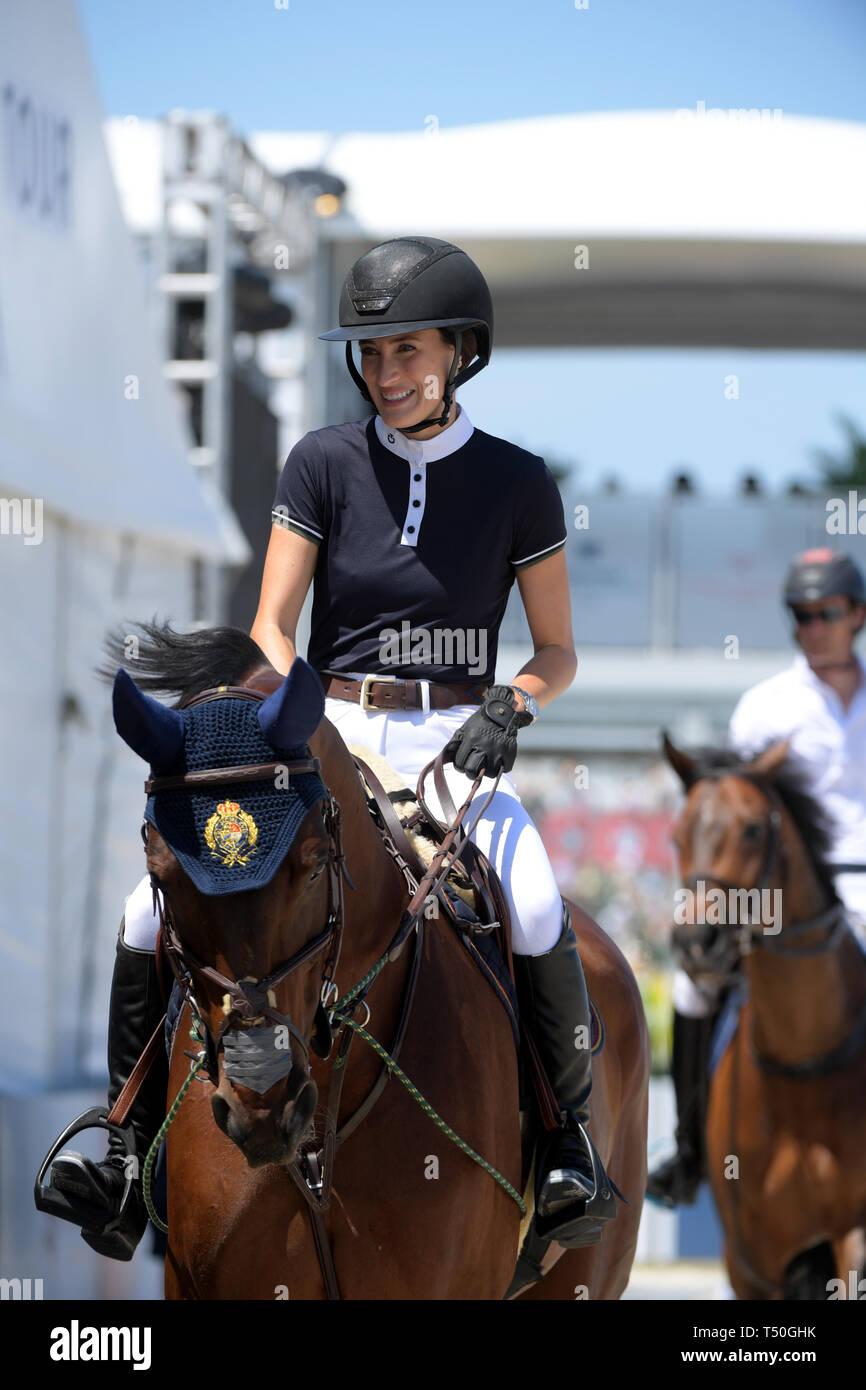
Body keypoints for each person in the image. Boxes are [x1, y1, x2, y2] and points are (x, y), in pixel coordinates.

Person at [48, 235, 615, 1259]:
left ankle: (566, 1143)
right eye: (370, 354)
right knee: (149, 902)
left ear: (460, 352)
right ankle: (121, 1142)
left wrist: (513, 704)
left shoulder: (518, 482)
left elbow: (559, 649)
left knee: (531, 897)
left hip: (453, 733)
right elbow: (272, 625)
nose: (386, 374)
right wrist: (288, 710)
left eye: (408, 351)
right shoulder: (320, 462)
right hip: (326, 718)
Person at [647, 546, 866, 1208]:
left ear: (857, 614)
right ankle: (688, 1150)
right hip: (782, 887)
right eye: (798, 615)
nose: (809, 627)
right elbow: (737, 815)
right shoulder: (766, 706)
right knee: (692, 985)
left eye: (823, 613)